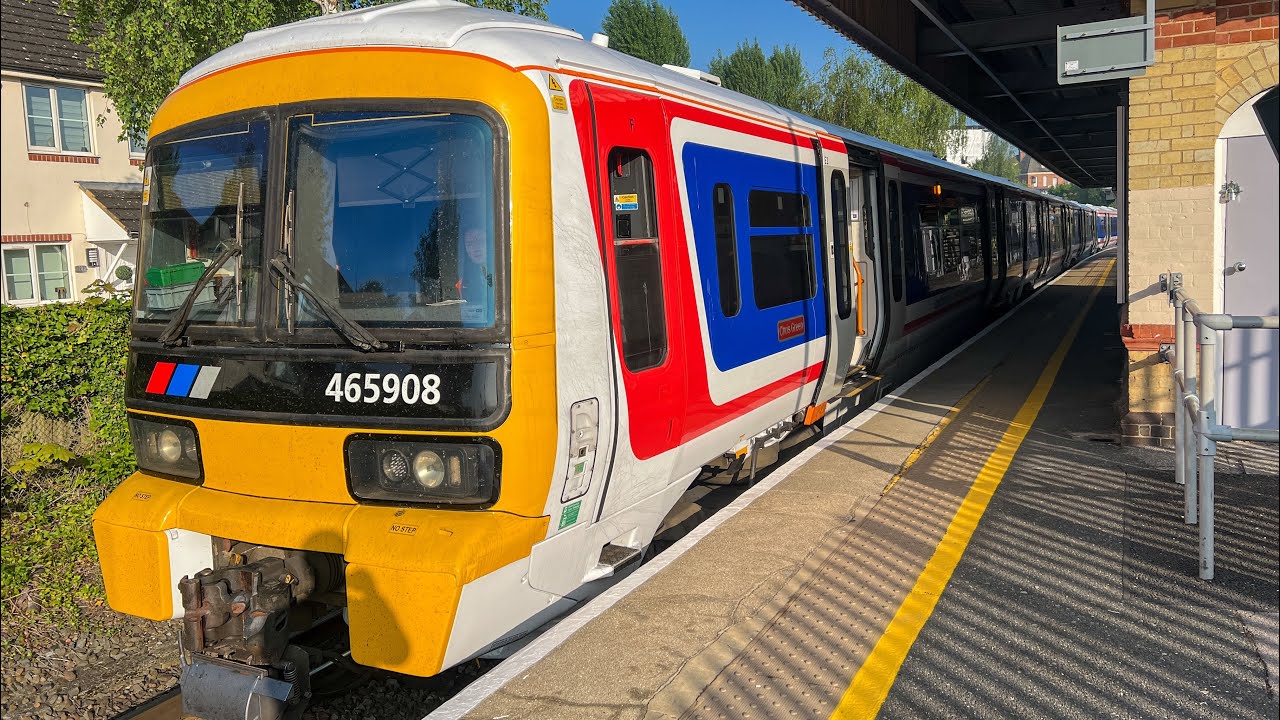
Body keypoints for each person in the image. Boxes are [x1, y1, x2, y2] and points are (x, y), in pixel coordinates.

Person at [457, 227, 493, 326]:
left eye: (480, 241)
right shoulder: (466, 278)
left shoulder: (500, 271)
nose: (475, 248)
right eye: (469, 244)